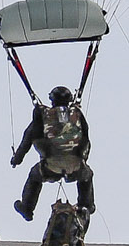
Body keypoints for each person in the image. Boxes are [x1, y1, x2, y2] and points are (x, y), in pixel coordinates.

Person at [11, 86, 94, 221]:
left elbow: (27, 139)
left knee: (34, 175)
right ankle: (86, 206)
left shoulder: (44, 116)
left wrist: (17, 159)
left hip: (50, 167)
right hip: (76, 167)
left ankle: (27, 208)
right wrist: (82, 159)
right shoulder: (76, 115)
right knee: (87, 175)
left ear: (52, 100)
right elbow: (86, 138)